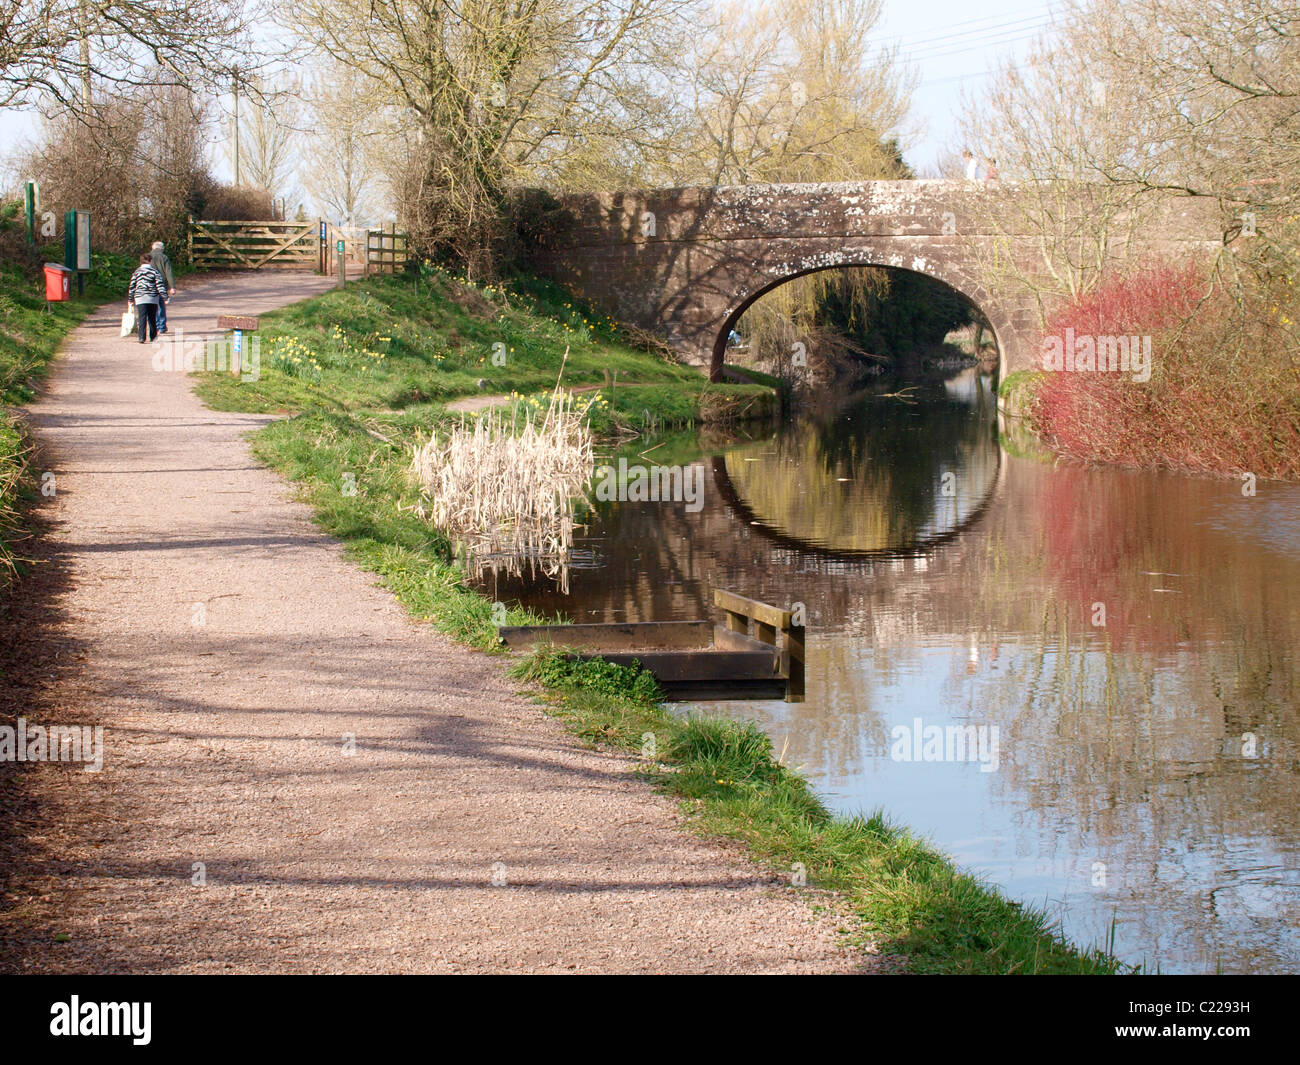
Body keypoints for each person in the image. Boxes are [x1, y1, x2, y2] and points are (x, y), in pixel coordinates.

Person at [127, 253, 167, 343]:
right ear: (150, 261)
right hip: (152, 298)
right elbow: (160, 285)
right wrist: (165, 297)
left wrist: (130, 299)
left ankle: (141, 337)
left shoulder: (136, 272)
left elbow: (132, 286)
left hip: (140, 297)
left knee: (142, 317)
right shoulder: (155, 272)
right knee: (152, 317)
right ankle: (153, 337)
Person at [149, 240, 176, 333]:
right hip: (161, 284)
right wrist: (172, 286)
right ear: (162, 249)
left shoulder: (147, 257)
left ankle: (154, 325)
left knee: (152, 305)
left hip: (149, 284)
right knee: (161, 305)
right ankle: (162, 326)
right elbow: (168, 272)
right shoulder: (164, 257)